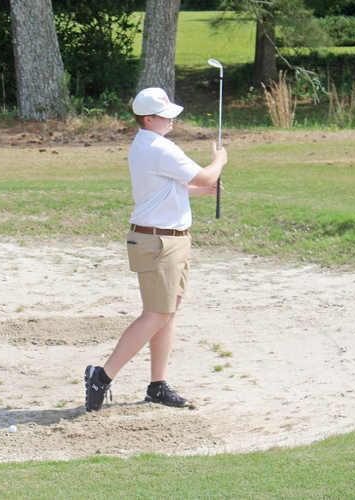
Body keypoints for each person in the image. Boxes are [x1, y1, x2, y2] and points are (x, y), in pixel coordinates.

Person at [85, 87, 227, 412]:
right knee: (157, 314)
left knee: (168, 312)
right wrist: (219, 159)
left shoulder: (145, 145)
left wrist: (194, 192)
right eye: (166, 116)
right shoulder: (161, 148)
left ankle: (157, 386)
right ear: (148, 119)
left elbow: (166, 189)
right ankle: (101, 376)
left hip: (169, 238)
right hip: (158, 241)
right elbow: (207, 175)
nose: (172, 120)